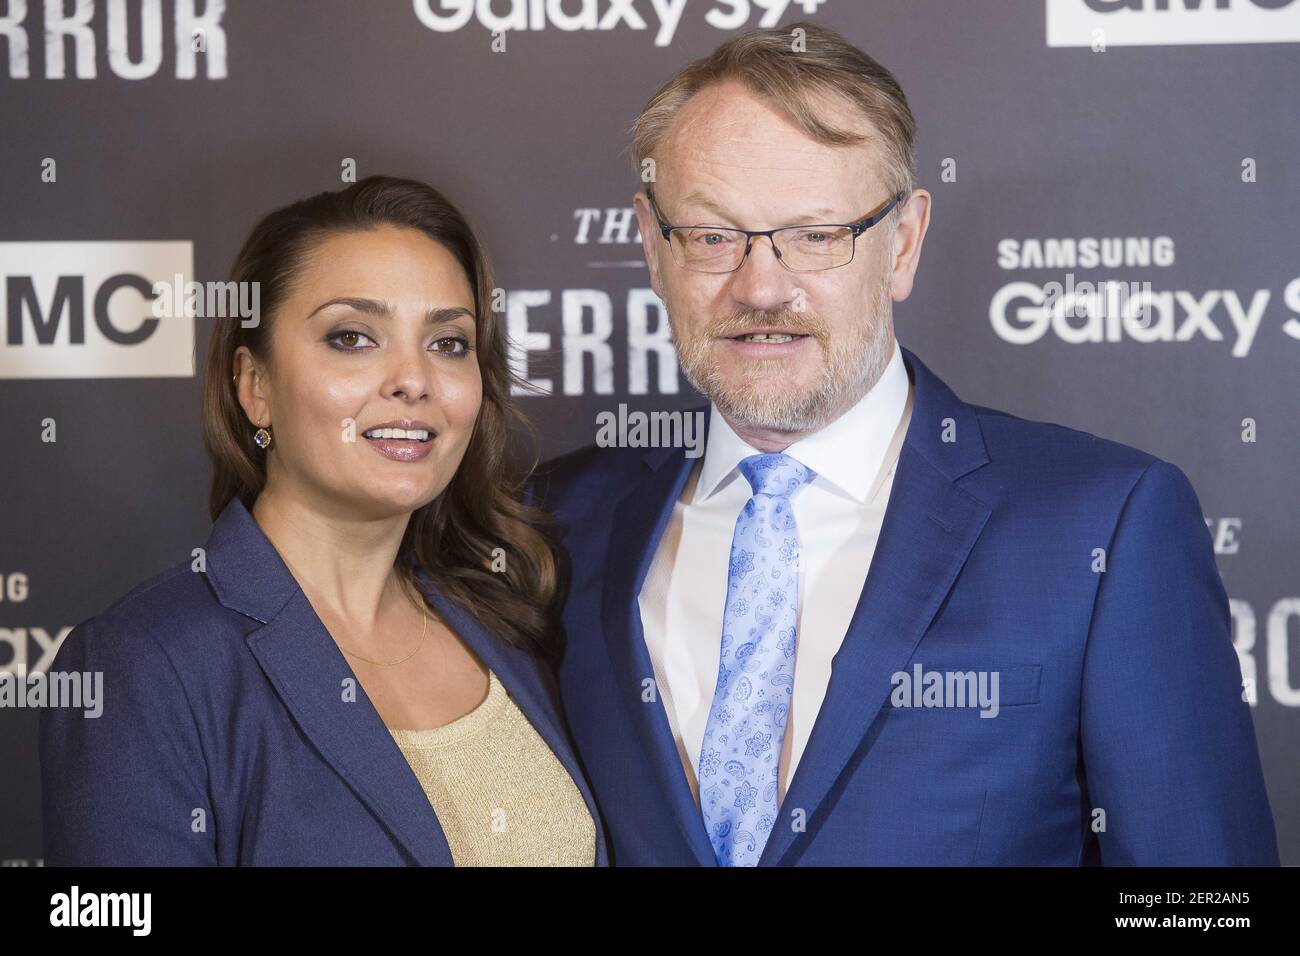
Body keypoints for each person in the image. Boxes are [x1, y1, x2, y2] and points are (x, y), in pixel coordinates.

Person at [531, 23, 1278, 866]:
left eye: (817, 234)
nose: (762, 286)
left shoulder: (1102, 526)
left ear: (904, 243)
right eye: (712, 236)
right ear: (651, 246)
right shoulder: (558, 521)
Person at [40, 176, 605, 866]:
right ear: (255, 387)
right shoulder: (147, 665)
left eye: (449, 342)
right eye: (352, 337)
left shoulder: (506, 620)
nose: (413, 379)